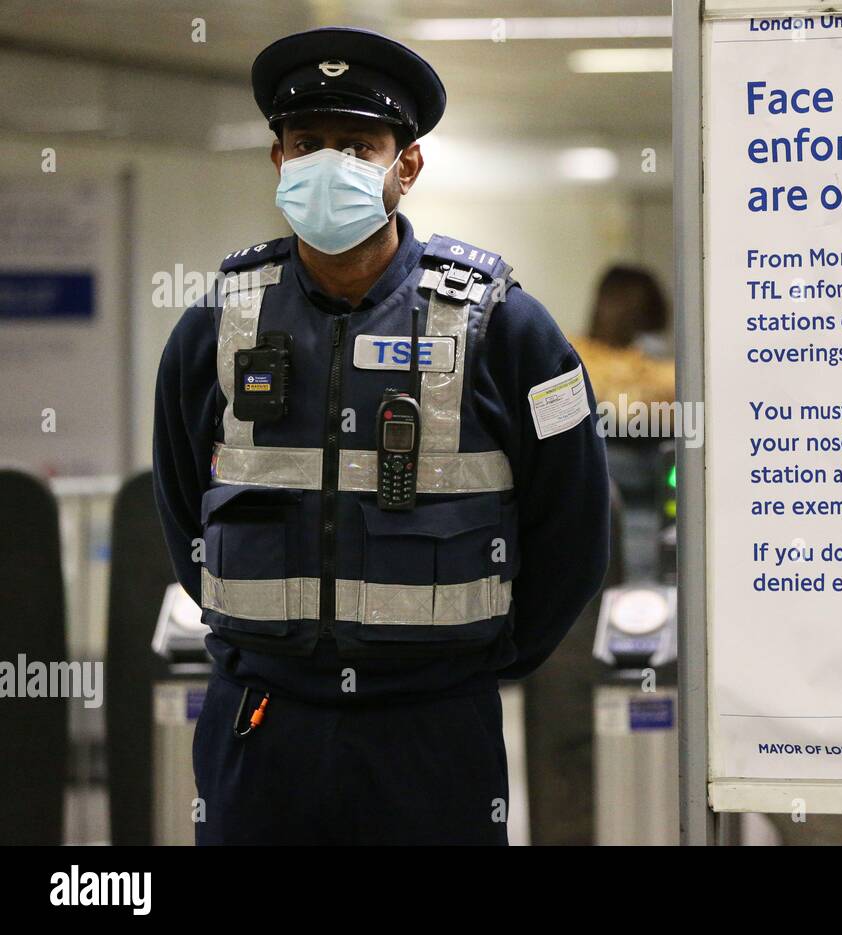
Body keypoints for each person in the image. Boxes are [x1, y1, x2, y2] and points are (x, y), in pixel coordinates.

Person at [152, 26, 609, 845]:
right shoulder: (215, 321)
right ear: (277, 159)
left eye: (358, 145)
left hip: (431, 730)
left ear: (408, 164)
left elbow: (574, 525)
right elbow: (181, 504)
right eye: (307, 143)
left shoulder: (503, 325)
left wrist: (477, 661)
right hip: (262, 723)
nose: (329, 164)